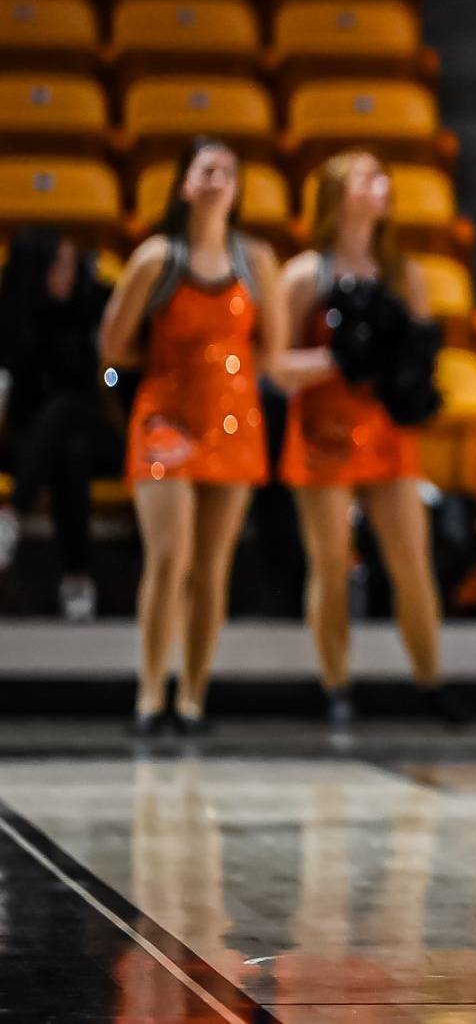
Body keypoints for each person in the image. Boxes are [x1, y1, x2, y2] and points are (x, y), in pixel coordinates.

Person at [100, 137, 288, 735]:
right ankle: (150, 692)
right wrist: (174, 374)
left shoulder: (256, 261)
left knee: (213, 565)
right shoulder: (156, 259)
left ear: (237, 190)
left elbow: (273, 350)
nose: (216, 179)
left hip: (235, 422)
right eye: (205, 169)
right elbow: (113, 347)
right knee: (168, 558)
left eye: (227, 172)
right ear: (184, 184)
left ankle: (194, 697)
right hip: (165, 421)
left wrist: (226, 379)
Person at [277, 150, 466, 729]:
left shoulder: (401, 272)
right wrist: (338, 360)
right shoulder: (305, 274)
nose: (381, 184)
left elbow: (419, 354)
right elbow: (277, 365)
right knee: (331, 562)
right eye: (367, 176)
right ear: (337, 193)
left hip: (385, 431)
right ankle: (336, 686)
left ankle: (431, 681)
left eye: (383, 177)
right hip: (323, 429)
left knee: (412, 562)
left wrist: (404, 366)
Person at [0, 228, 122, 620]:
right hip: (37, 444)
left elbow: (96, 377)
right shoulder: (14, 315)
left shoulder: (89, 303)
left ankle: (11, 513)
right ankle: (76, 581)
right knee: (69, 452)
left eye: (72, 265)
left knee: (66, 409)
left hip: (98, 431)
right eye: (60, 265)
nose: (69, 274)